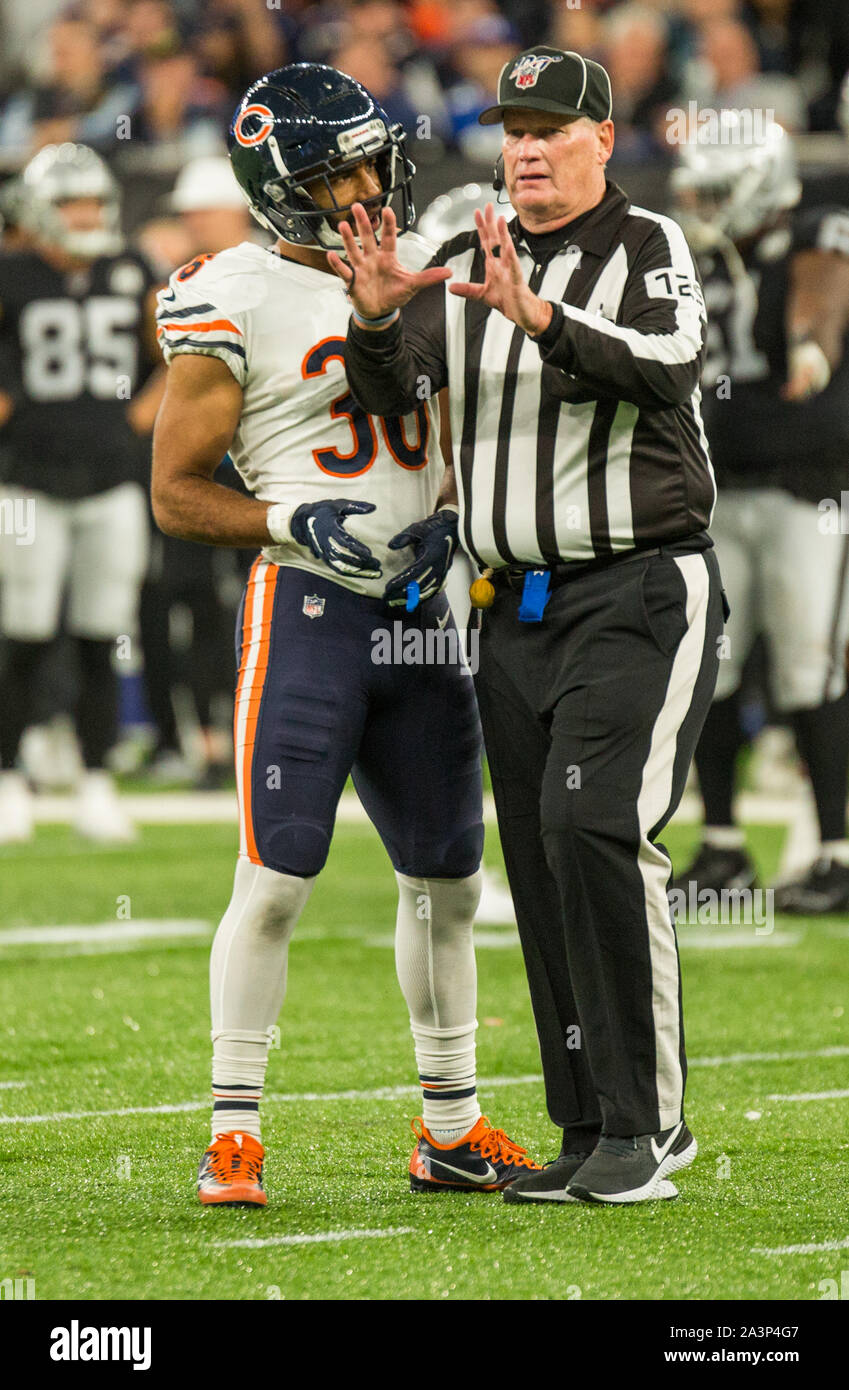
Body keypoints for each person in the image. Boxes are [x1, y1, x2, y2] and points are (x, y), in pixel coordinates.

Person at [340, 45, 724, 1205]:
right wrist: (370, 325)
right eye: (514, 127)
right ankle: (588, 1121)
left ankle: (650, 1128)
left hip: (637, 587)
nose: (528, 146)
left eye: (553, 127)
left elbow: (672, 365)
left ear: (605, 139)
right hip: (514, 608)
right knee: (545, 856)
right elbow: (398, 393)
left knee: (595, 824)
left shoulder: (646, 245)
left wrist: (544, 317)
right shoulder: (462, 254)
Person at [151, 63, 539, 1207]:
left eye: (375, 159)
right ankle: (233, 1132)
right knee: (275, 878)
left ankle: (451, 1127)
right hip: (308, 604)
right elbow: (175, 490)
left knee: (448, 881)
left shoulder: (439, 261)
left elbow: (483, 431)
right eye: (337, 174)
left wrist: (460, 522)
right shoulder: (235, 290)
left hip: (424, 612)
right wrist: (282, 516)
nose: (369, 187)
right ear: (281, 192)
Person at [669, 114, 849, 913]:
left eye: (717, 189)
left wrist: (812, 346)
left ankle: (837, 854)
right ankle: (723, 848)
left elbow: (821, 293)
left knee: (811, 668)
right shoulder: (701, 258)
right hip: (722, 492)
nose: (704, 203)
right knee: (714, 669)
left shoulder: (817, 232)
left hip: (806, 490)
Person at [0, 143, 162, 843]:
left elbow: (181, 356)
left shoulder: (131, 272)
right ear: (38, 210)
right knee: (24, 632)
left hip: (111, 479)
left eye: (93, 200)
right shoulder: (11, 276)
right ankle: (10, 779)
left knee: (103, 632)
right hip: (27, 480)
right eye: (71, 203)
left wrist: (137, 418)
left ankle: (96, 781)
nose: (86, 215)